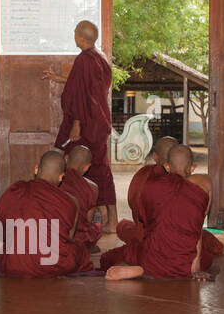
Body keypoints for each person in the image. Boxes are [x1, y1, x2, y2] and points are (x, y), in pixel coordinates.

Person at [101, 145, 222, 281]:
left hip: (152, 255)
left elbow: (145, 221)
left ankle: (141, 268)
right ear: (192, 168)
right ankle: (147, 269)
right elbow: (197, 226)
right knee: (208, 257)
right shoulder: (204, 183)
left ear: (167, 166)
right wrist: (195, 267)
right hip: (185, 262)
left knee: (111, 256)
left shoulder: (151, 185)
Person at [42, 21, 117, 225]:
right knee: (100, 169)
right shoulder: (99, 60)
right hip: (97, 122)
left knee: (71, 166)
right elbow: (85, 86)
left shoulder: (84, 60)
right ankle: (111, 219)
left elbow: (82, 97)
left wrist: (76, 123)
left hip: (84, 124)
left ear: (80, 38)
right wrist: (59, 78)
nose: (74, 36)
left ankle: (73, 216)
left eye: (75, 33)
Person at [0, 150, 93, 277]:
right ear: (61, 176)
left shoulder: (16, 190)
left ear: (36, 169)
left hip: (16, 264)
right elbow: (68, 237)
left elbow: (0, 226)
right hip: (54, 264)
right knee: (80, 250)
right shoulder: (70, 201)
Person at [117, 136, 177, 245]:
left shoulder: (143, 173)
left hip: (143, 233)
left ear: (155, 156)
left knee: (122, 227)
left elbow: (132, 201)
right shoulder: (181, 180)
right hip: (169, 237)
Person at [58, 144, 102, 251]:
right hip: (78, 238)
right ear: (87, 166)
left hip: (55, 232)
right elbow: (87, 220)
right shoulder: (92, 187)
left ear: (66, 158)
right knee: (97, 225)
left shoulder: (55, 179)